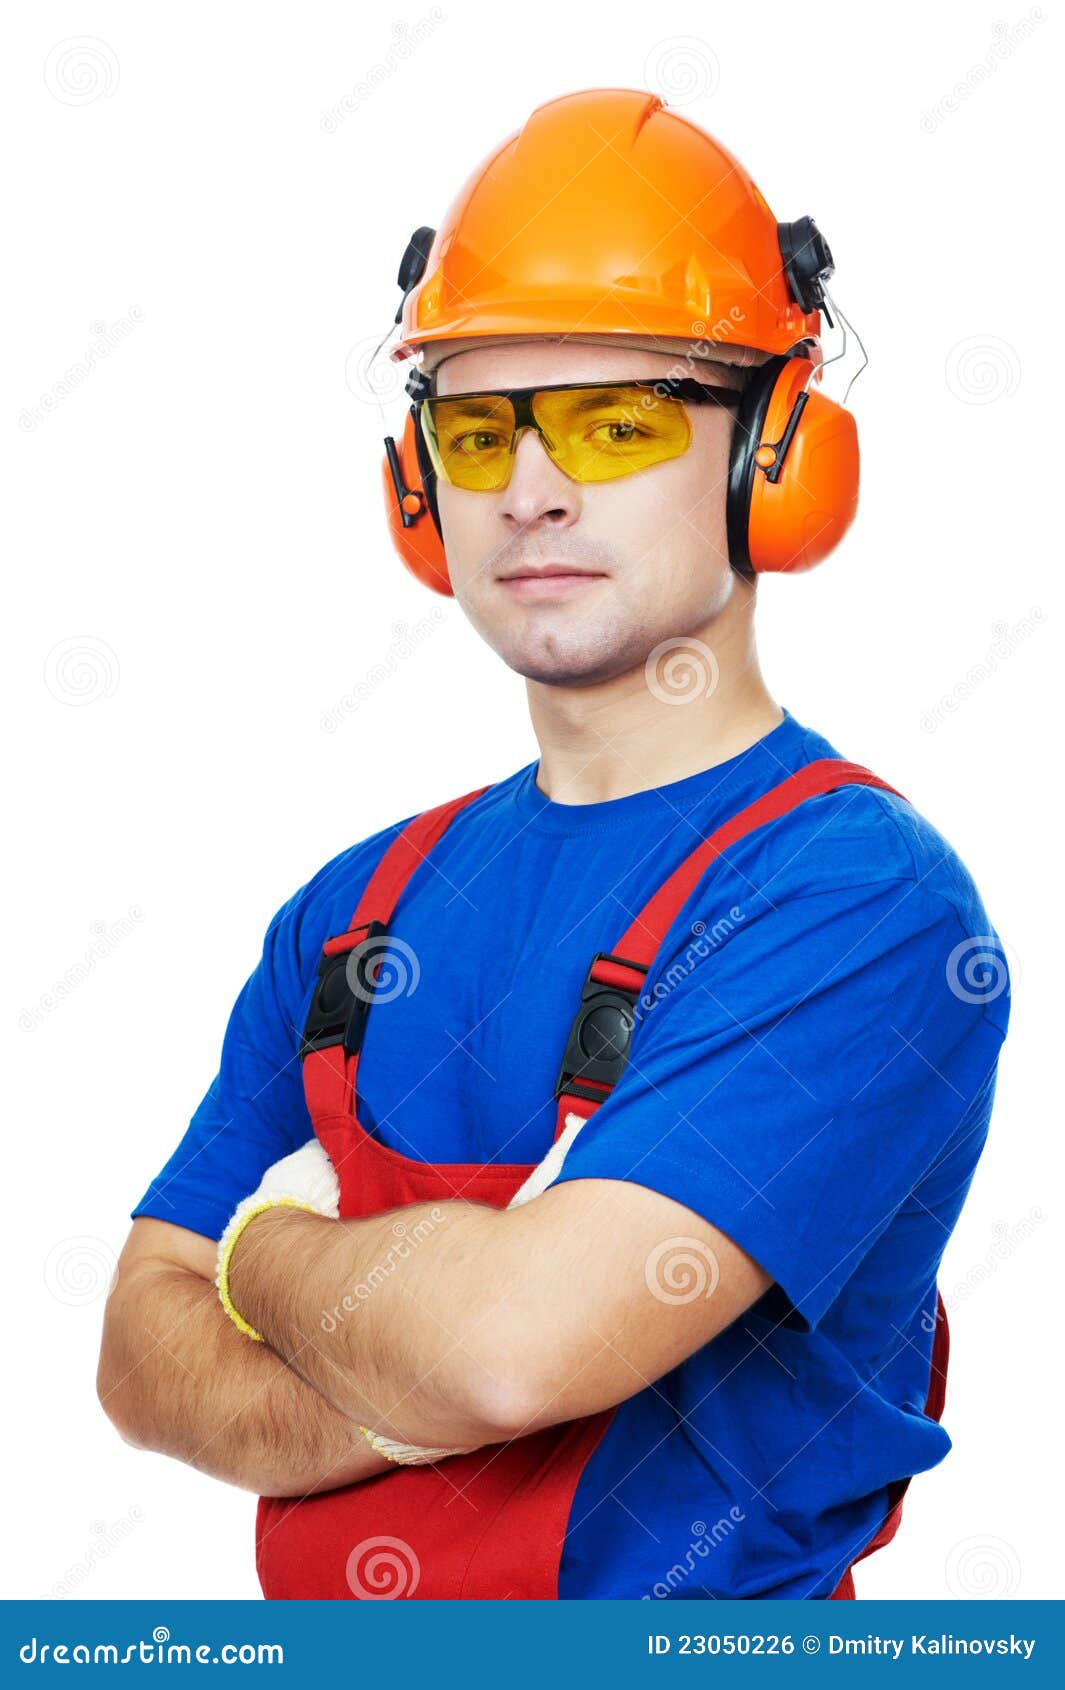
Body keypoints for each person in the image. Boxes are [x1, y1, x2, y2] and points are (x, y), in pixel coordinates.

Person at [97, 88, 1011, 1601]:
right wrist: (421, 1345)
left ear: (768, 457)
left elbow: (509, 1353)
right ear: (420, 490)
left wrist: (263, 1251)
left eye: (616, 418)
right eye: (475, 428)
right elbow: (138, 1355)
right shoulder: (354, 906)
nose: (532, 488)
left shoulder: (853, 901)